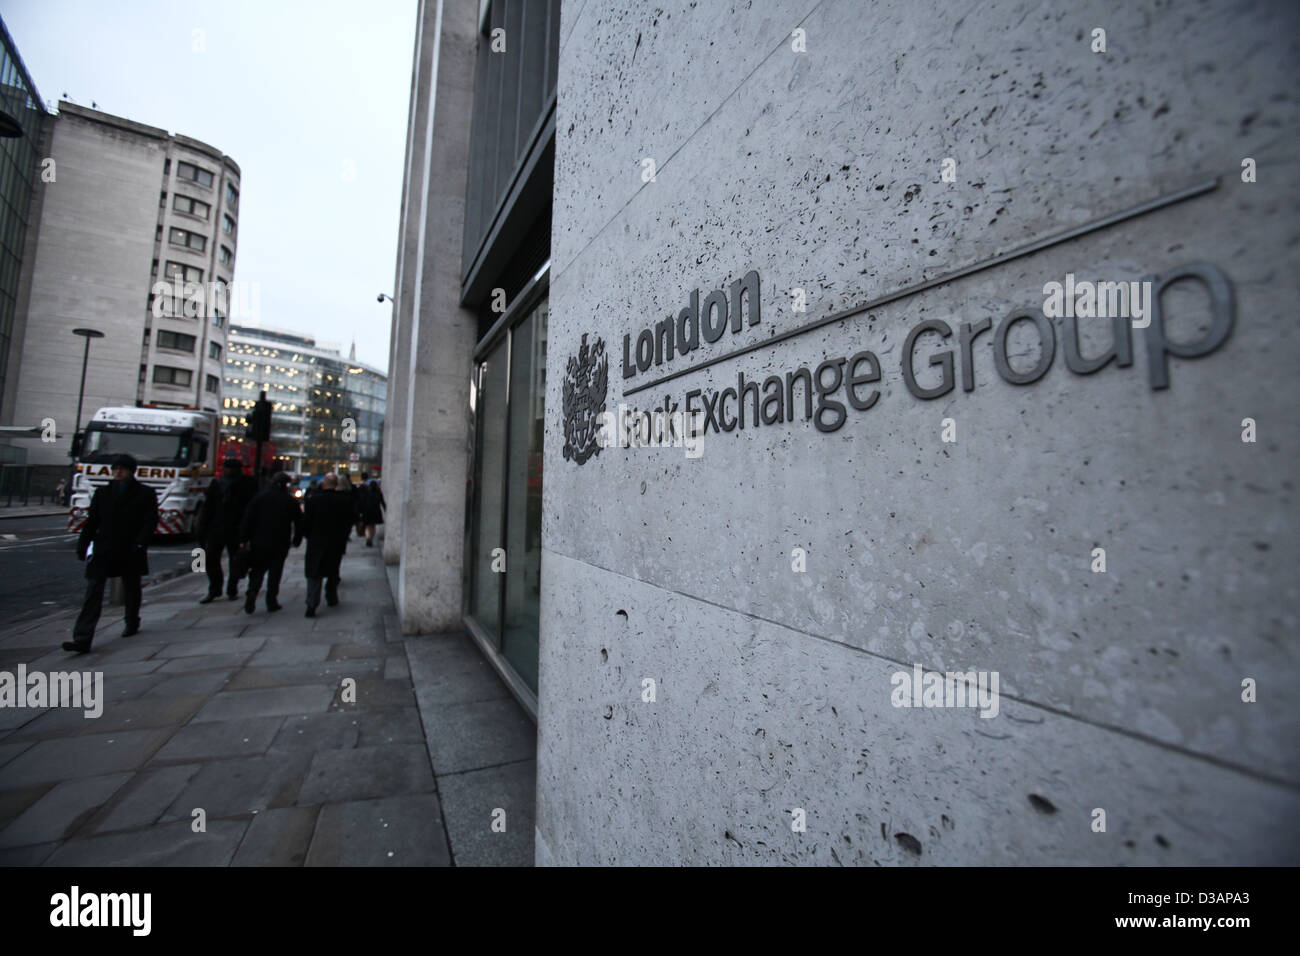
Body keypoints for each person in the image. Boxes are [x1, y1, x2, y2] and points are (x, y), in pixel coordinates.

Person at [64, 454, 158, 653]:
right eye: (115, 469)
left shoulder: (145, 493)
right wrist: (83, 543)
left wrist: (141, 542)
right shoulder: (103, 493)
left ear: (131, 471)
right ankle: (82, 638)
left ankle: (132, 621)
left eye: (122, 469)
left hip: (130, 548)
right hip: (104, 548)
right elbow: (92, 521)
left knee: (131, 587)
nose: (117, 472)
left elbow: (150, 521)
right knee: (93, 592)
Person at [195, 457, 257, 603]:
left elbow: (251, 508)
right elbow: (208, 508)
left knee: (236, 560)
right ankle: (215, 589)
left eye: (231, 468)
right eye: (227, 468)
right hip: (217, 527)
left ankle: (231, 589)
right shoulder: (216, 484)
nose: (228, 471)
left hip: (237, 528)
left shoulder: (247, 483)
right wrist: (202, 528)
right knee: (211, 559)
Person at [239, 471, 302, 613]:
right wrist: (297, 539)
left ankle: (252, 592)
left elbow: (248, 519)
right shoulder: (289, 500)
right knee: (275, 571)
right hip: (280, 540)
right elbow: (299, 522)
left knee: (257, 570)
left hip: (259, 540)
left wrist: (244, 538)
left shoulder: (260, 497)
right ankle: (271, 600)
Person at [294, 472, 355, 617]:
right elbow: (348, 521)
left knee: (314, 573)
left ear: (324, 483)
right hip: (335, 541)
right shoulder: (344, 500)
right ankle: (331, 596)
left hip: (317, 540)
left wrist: (305, 535)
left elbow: (306, 521)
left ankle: (312, 603)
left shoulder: (314, 499)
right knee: (333, 570)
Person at [359, 478, 386, 547]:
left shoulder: (367, 492)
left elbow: (362, 502)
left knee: (367, 526)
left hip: (367, 511)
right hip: (376, 511)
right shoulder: (378, 492)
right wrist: (385, 509)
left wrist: (361, 511)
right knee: (373, 526)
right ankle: (371, 538)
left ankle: (368, 537)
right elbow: (382, 502)